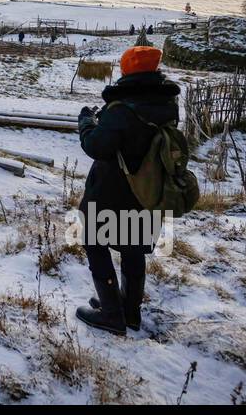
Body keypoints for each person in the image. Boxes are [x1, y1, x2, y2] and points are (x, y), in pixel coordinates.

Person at [74, 43, 181, 335]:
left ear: (127, 71)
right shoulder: (167, 104)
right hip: (147, 194)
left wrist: (85, 123)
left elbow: (97, 146)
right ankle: (130, 311)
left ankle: (111, 313)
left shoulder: (121, 109)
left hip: (112, 192)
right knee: (133, 249)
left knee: (96, 244)